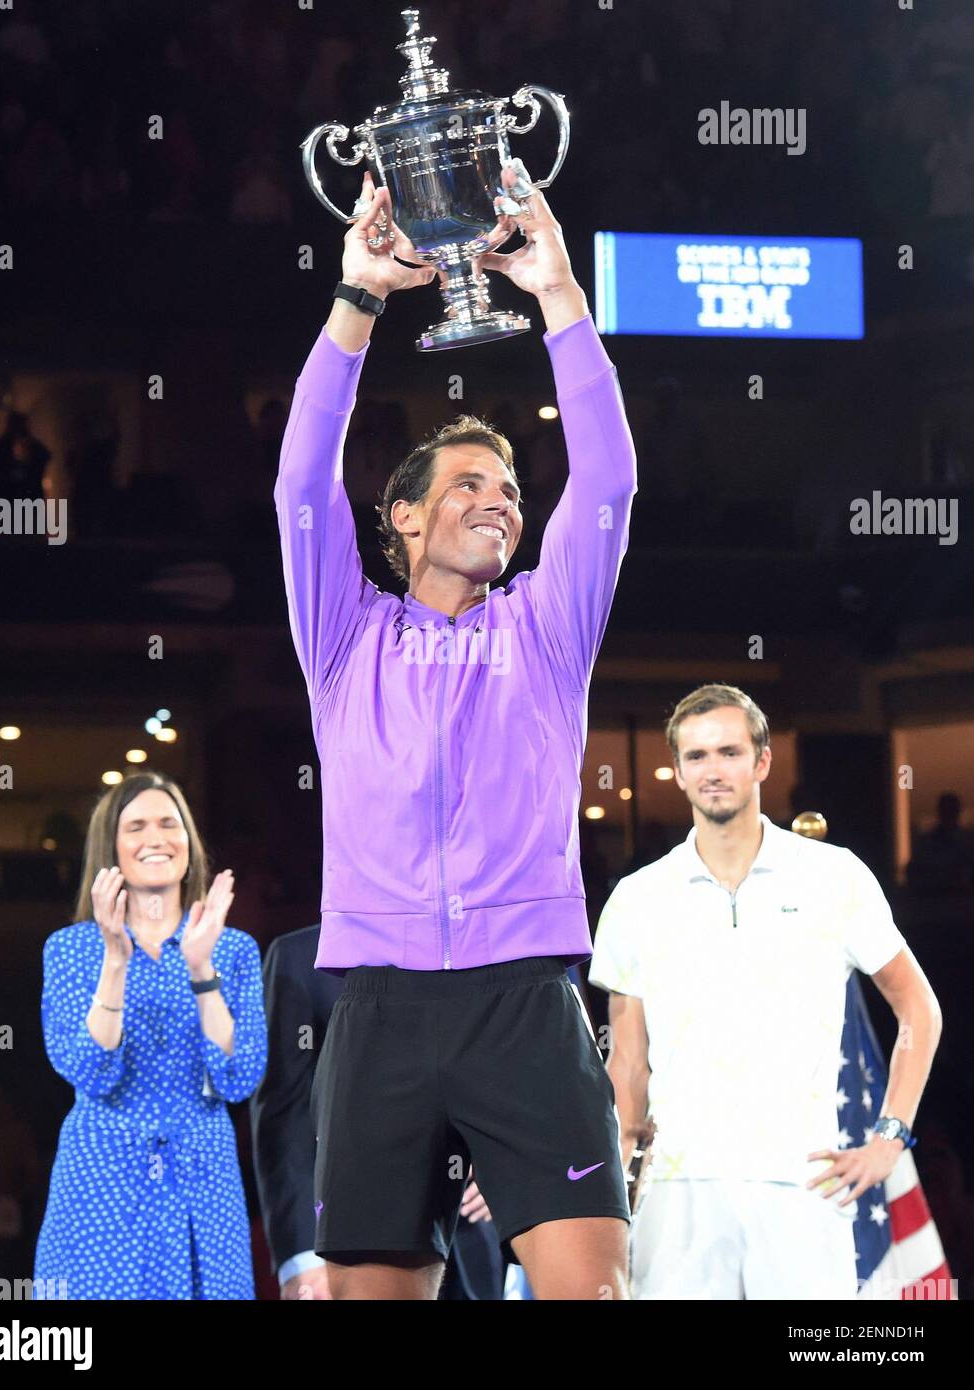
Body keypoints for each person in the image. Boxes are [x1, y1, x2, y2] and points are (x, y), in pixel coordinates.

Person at [273, 160, 637, 1299]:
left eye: (514, 491)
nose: (501, 500)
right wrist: (358, 300)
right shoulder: (344, 635)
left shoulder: (546, 628)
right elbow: (298, 484)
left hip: (525, 1000)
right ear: (404, 515)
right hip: (376, 1004)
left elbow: (610, 482)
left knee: (594, 1293)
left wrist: (562, 300)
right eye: (472, 482)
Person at [589, 683, 943, 1299]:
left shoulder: (834, 877)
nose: (713, 770)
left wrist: (890, 1138)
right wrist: (614, 1178)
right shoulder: (638, 898)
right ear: (675, 770)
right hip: (678, 1193)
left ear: (762, 761)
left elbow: (918, 1006)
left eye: (728, 752)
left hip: (803, 1185)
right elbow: (627, 1063)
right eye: (696, 756)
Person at [33, 772, 267, 1299]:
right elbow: (92, 1070)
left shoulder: (233, 950)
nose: (156, 838)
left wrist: (201, 967)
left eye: (169, 823)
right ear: (111, 848)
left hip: (202, 1179)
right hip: (101, 1180)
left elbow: (238, 1077)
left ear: (189, 842)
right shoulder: (71, 950)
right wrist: (116, 958)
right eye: (136, 826)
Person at [251, 923, 506, 1300]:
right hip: (353, 1234)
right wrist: (301, 1254)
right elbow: (284, 1118)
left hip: (481, 1231)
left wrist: (505, 1167)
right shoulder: (300, 955)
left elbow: (540, 1069)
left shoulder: (495, 936)